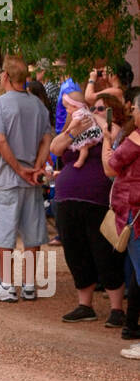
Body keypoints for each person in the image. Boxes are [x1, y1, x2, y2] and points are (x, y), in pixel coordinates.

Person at [50, 94, 125, 328]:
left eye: (102, 108)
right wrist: (73, 129)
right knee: (75, 251)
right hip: (67, 199)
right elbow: (55, 147)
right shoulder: (79, 126)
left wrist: (96, 118)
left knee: (104, 252)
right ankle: (85, 305)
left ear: (113, 112)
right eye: (93, 107)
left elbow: (112, 136)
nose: (95, 111)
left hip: (98, 200)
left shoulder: (115, 129)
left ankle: (117, 308)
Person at [0, 55, 52, 303]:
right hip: (31, 181)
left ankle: (6, 284)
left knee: (3, 234)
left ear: (7, 77)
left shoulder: (0, 105)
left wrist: (19, 168)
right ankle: (30, 284)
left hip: (6, 178)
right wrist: (36, 166)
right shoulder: (38, 106)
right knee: (32, 233)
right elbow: (47, 138)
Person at [100, 92, 140, 358]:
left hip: (134, 214)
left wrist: (106, 140)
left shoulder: (136, 138)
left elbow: (110, 167)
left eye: (136, 106)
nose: (132, 109)